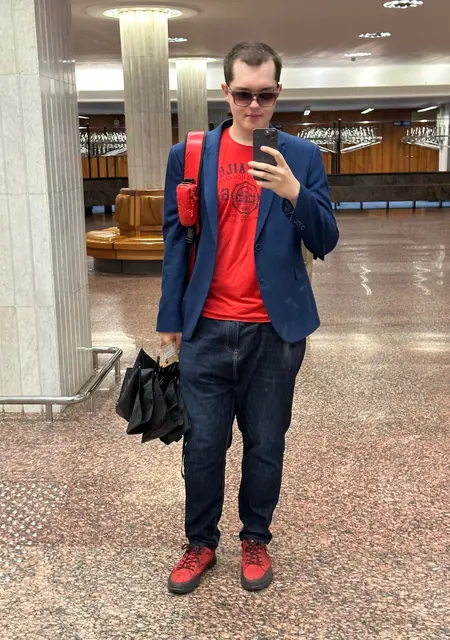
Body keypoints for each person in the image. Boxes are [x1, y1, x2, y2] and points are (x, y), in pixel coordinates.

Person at [157, 41, 339, 594]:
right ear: (225, 92)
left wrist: (294, 192)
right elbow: (176, 241)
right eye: (243, 95)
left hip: (274, 331)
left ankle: (255, 536)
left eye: (265, 95)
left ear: (278, 93)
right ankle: (200, 542)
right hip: (206, 326)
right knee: (202, 445)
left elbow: (325, 240)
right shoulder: (191, 155)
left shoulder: (302, 156)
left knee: (265, 443)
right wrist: (170, 319)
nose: (254, 106)